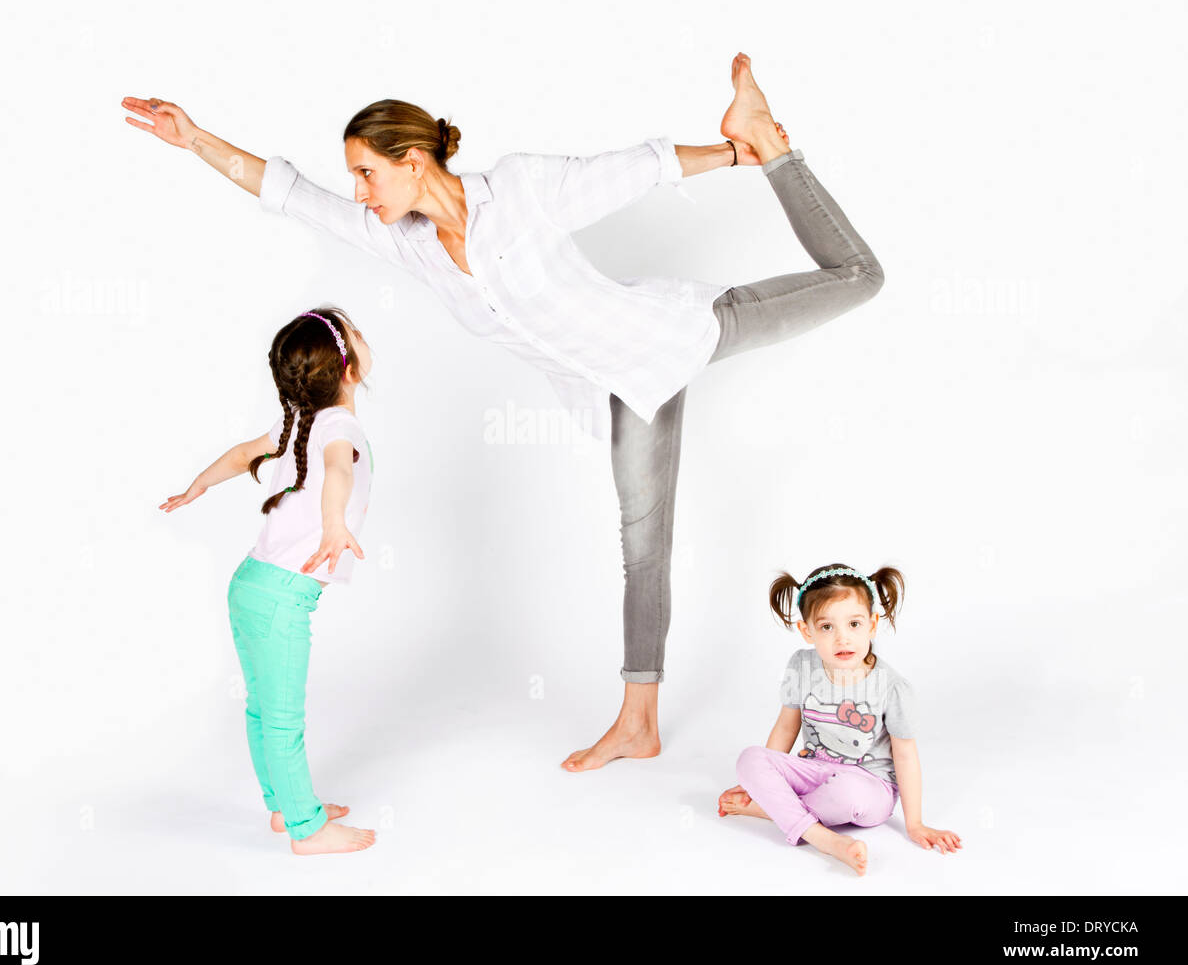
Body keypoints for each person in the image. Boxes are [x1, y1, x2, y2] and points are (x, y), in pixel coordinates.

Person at [123, 51, 885, 773]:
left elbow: (634, 169)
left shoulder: (518, 190)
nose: (358, 190)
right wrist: (193, 141)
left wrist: (739, 155)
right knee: (643, 546)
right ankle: (639, 724)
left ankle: (776, 148)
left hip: (680, 331)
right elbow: (291, 193)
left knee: (858, 276)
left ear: (410, 161)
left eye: (365, 172)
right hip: (625, 389)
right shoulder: (412, 244)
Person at [158, 306, 378, 855]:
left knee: (261, 708)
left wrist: (196, 487)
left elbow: (238, 456)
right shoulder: (339, 426)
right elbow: (339, 470)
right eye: (358, 335)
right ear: (349, 368)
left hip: (250, 584)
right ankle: (307, 830)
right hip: (282, 598)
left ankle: (284, 808)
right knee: (282, 719)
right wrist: (334, 522)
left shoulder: (298, 422)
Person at [717, 564, 961, 875]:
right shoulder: (801, 666)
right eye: (827, 627)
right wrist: (756, 781)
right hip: (816, 769)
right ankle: (823, 836)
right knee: (749, 759)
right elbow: (785, 726)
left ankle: (774, 810)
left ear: (872, 624)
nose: (842, 639)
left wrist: (915, 824)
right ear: (807, 631)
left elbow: (905, 755)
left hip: (869, 786)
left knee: (847, 794)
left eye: (854, 624)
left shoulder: (892, 687)